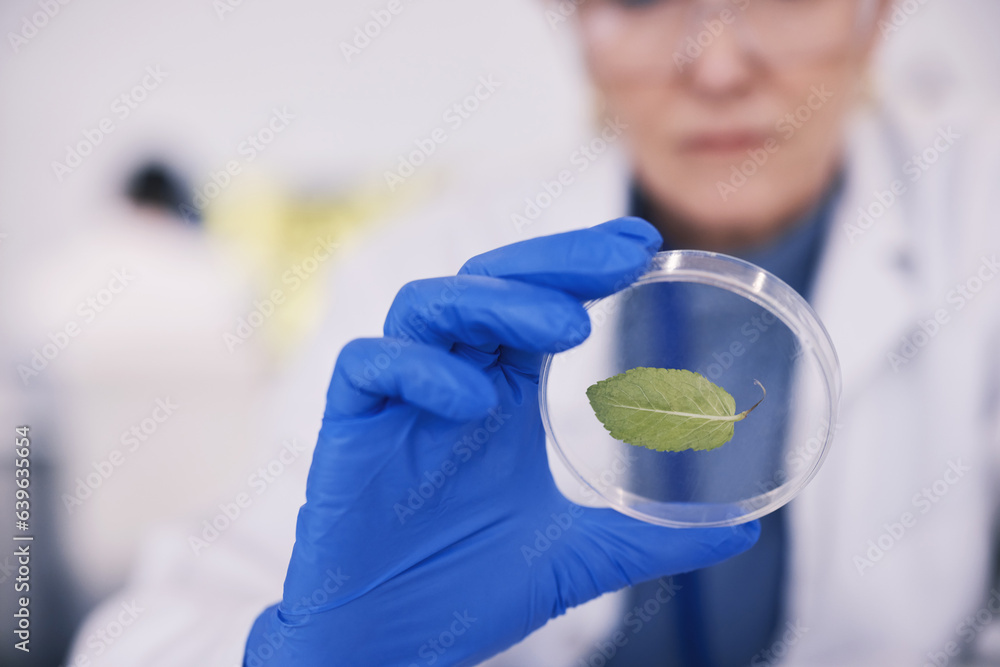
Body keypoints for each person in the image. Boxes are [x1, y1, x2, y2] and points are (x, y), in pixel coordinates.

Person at [72, 0, 1000, 665]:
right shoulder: (433, 268)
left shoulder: (980, 234)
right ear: (573, 19)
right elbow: (141, 636)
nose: (718, 64)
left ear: (878, 14)